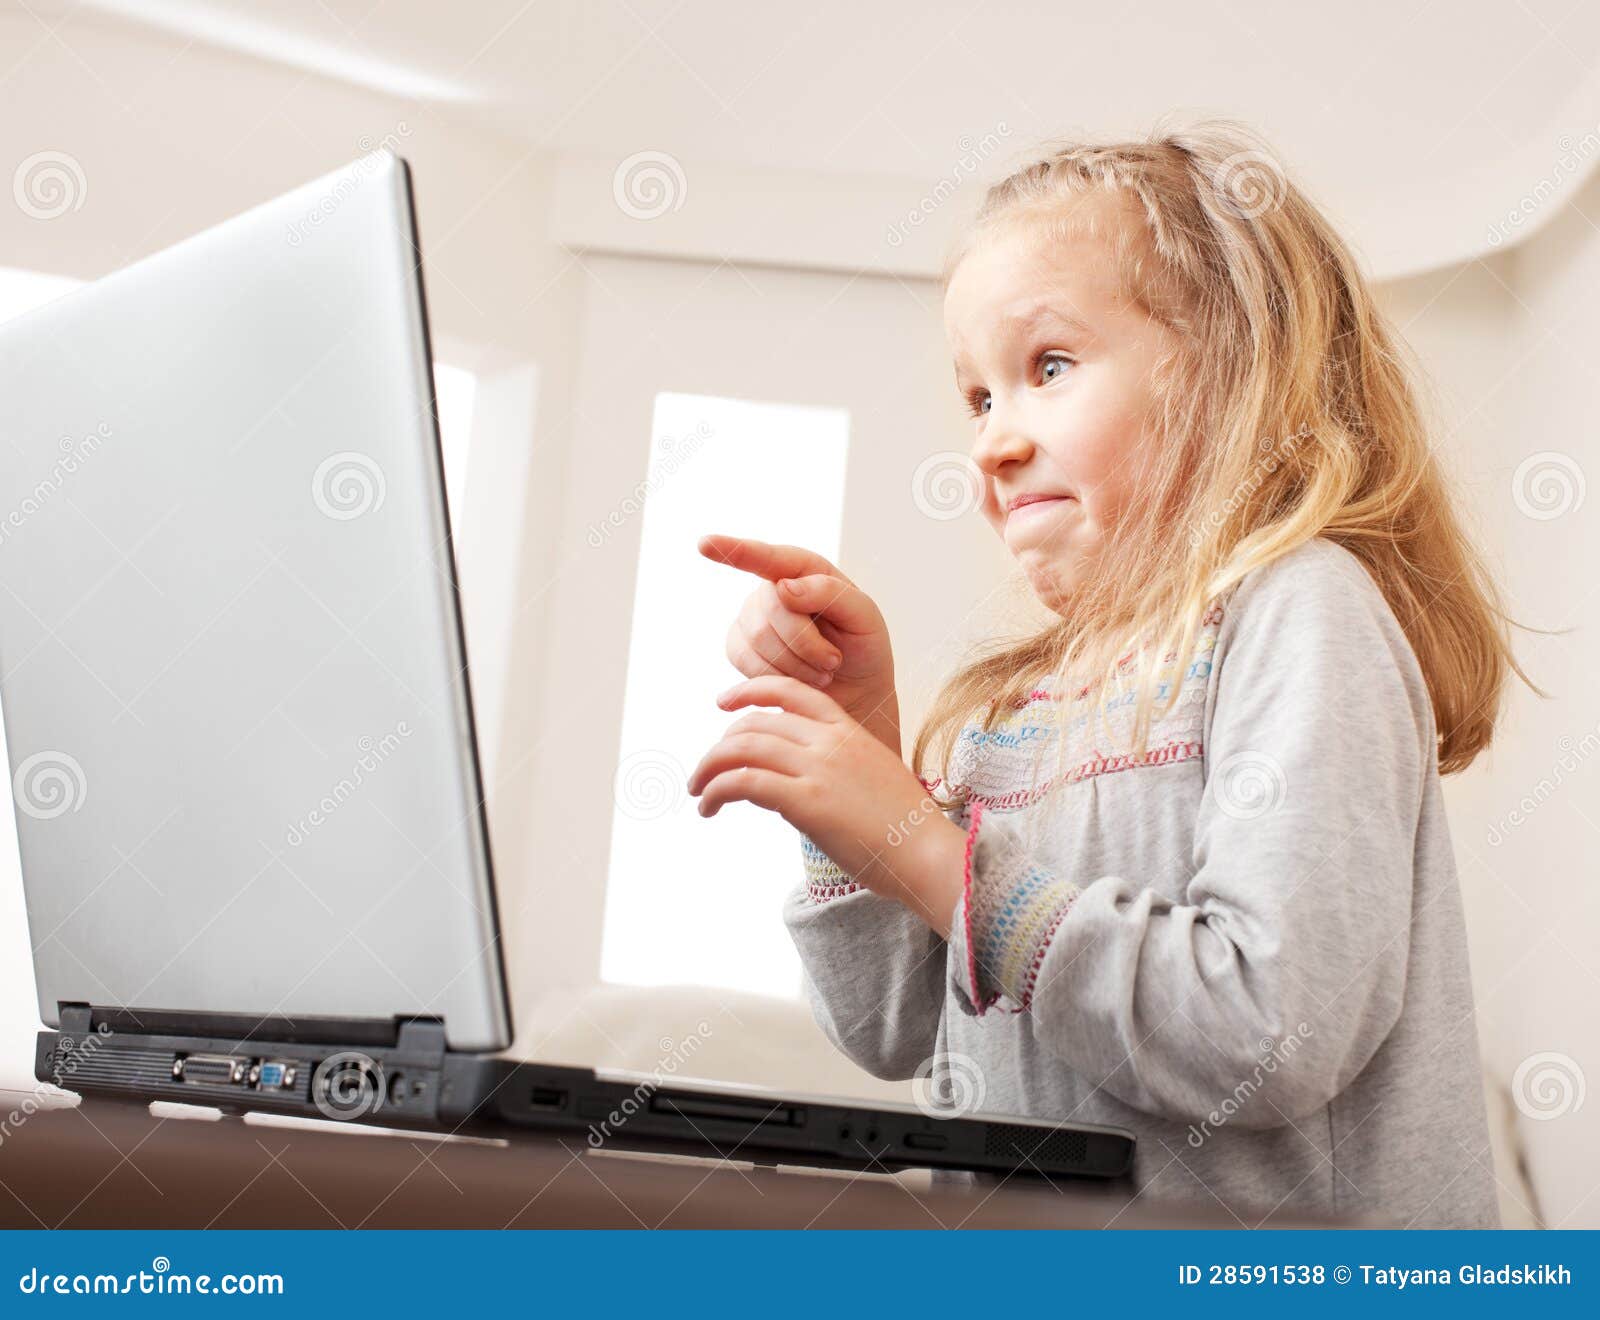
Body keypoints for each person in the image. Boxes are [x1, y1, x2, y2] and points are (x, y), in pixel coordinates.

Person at [688, 119, 1533, 1229]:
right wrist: (862, 767)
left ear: (1232, 369)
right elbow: (892, 1029)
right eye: (978, 397)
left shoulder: (1298, 609)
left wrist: (934, 852)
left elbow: (1267, 1034)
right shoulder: (1018, 709)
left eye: (1046, 368)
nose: (991, 441)